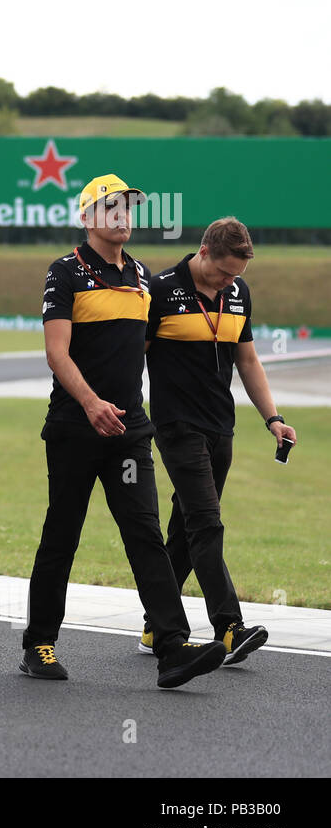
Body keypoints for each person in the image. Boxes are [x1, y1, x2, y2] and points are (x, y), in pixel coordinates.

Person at [21, 173, 226, 688]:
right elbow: (56, 353)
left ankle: (172, 649)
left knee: (145, 535)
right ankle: (39, 644)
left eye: (130, 209)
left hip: (130, 431)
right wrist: (90, 404)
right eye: (112, 208)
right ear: (88, 217)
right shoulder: (64, 272)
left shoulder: (142, 276)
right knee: (62, 534)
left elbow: (155, 348)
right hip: (74, 425)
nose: (124, 217)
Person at [141, 217, 294, 664]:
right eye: (224, 272)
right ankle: (229, 627)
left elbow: (247, 361)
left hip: (220, 428)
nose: (229, 282)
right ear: (203, 251)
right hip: (175, 426)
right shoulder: (161, 289)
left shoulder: (238, 293)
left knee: (187, 530)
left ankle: (156, 626)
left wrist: (273, 418)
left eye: (237, 276)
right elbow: (133, 358)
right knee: (207, 522)